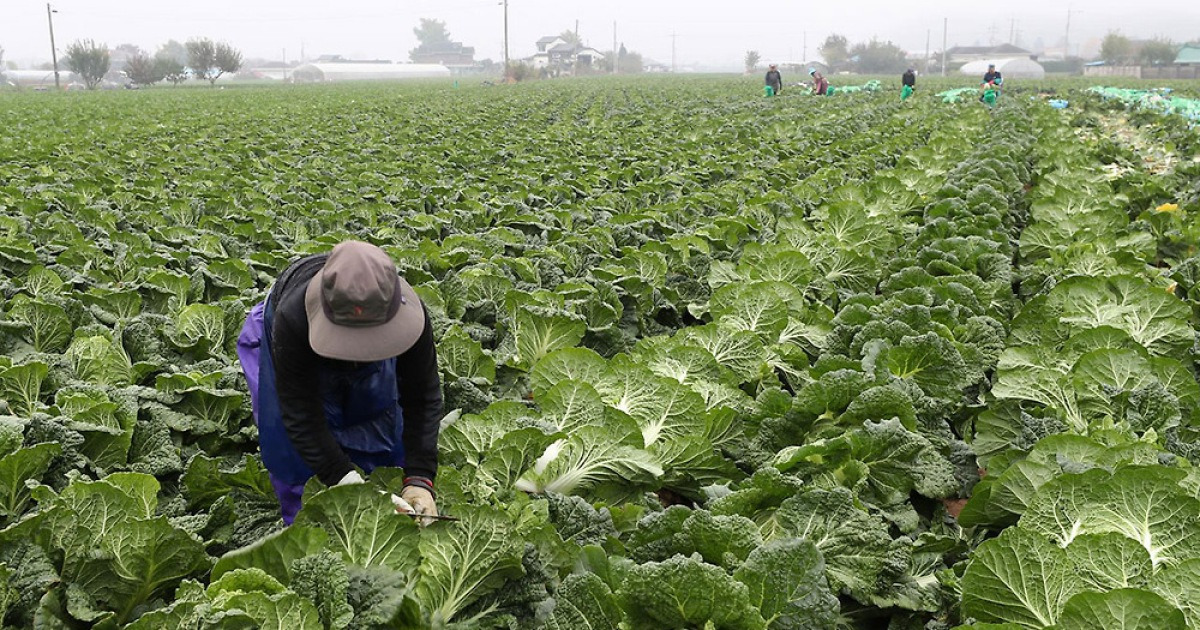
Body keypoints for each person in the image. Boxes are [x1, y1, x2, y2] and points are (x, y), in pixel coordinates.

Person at [237, 240, 444, 526]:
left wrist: (419, 478)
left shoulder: (413, 317)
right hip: (295, 349)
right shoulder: (292, 318)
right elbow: (299, 414)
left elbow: (422, 397)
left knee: (382, 427)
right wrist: (344, 479)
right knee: (292, 456)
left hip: (364, 354)